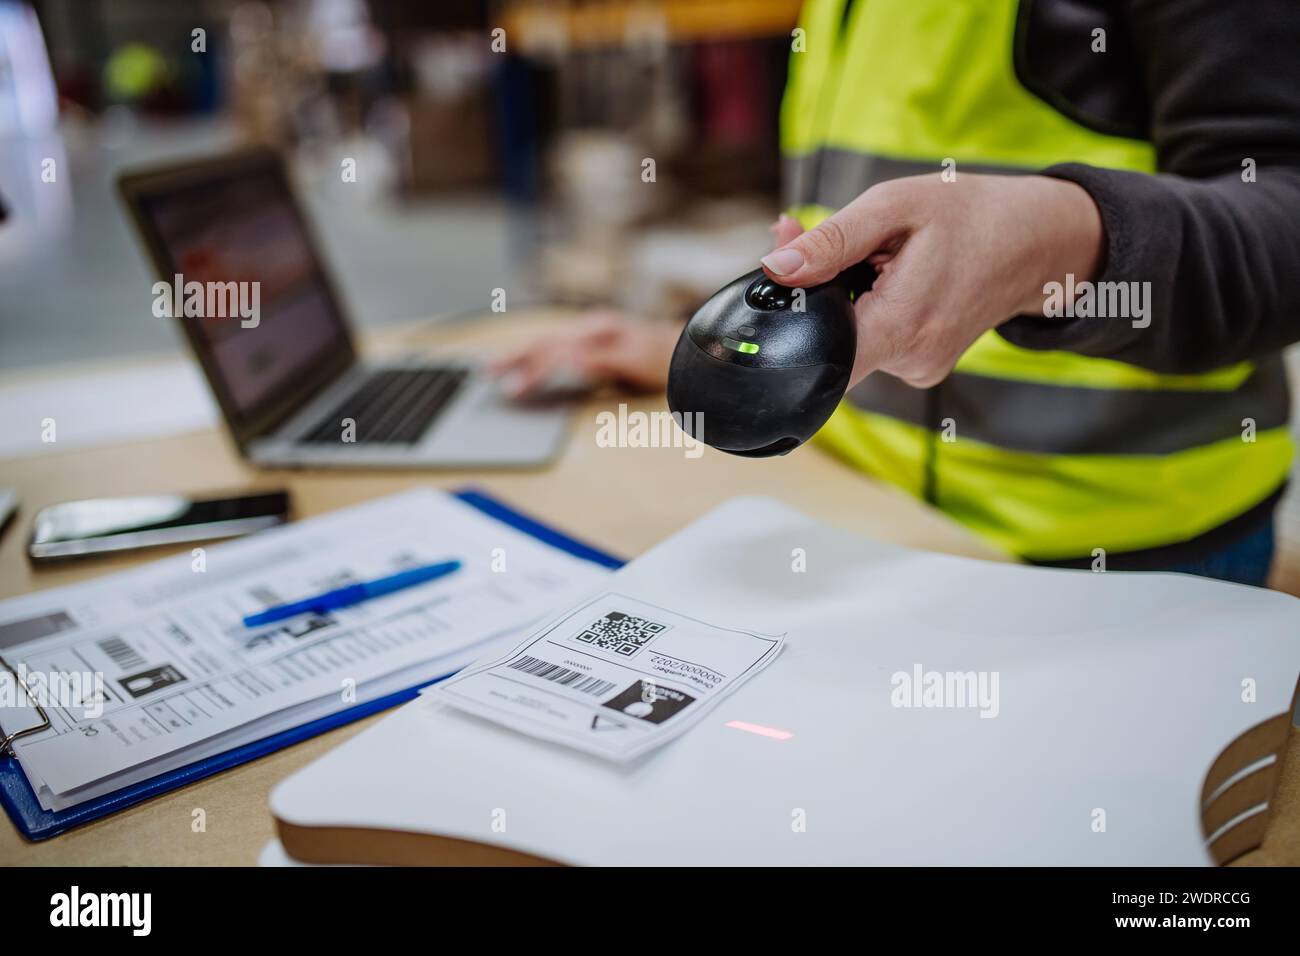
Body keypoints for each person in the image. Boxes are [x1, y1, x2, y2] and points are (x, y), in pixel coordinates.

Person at [492, 0, 1300, 587]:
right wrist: (714, 333)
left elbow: (1283, 213)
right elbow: (859, 210)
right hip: (856, 505)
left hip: (1113, 550)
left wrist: (1059, 244)